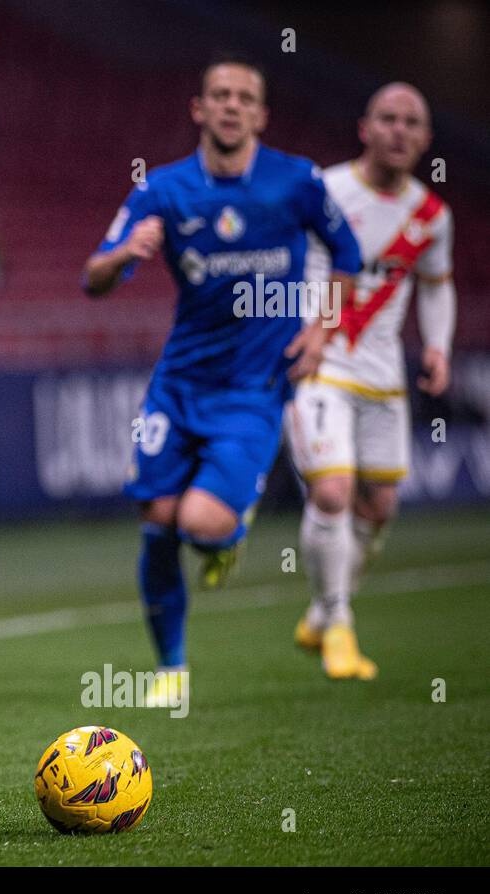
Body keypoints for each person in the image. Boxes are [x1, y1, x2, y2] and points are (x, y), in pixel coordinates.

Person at [82, 56, 361, 702]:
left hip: (252, 389)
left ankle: (226, 533)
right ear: (198, 109)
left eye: (244, 97)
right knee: (156, 516)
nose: (231, 106)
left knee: (199, 522)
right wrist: (126, 253)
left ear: (261, 114)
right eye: (219, 95)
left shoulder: (296, 181)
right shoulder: (163, 190)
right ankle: (170, 668)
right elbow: (92, 278)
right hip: (178, 383)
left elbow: (347, 255)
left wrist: (321, 330)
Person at [287, 83, 455, 679]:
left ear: (426, 140)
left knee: (379, 506)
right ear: (365, 127)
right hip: (320, 366)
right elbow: (279, 262)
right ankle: (339, 626)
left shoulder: (432, 217)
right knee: (332, 492)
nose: (399, 131)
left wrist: (436, 346)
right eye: (388, 118)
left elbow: (436, 286)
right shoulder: (323, 191)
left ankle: (320, 611)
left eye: (412, 122)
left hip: (383, 378)